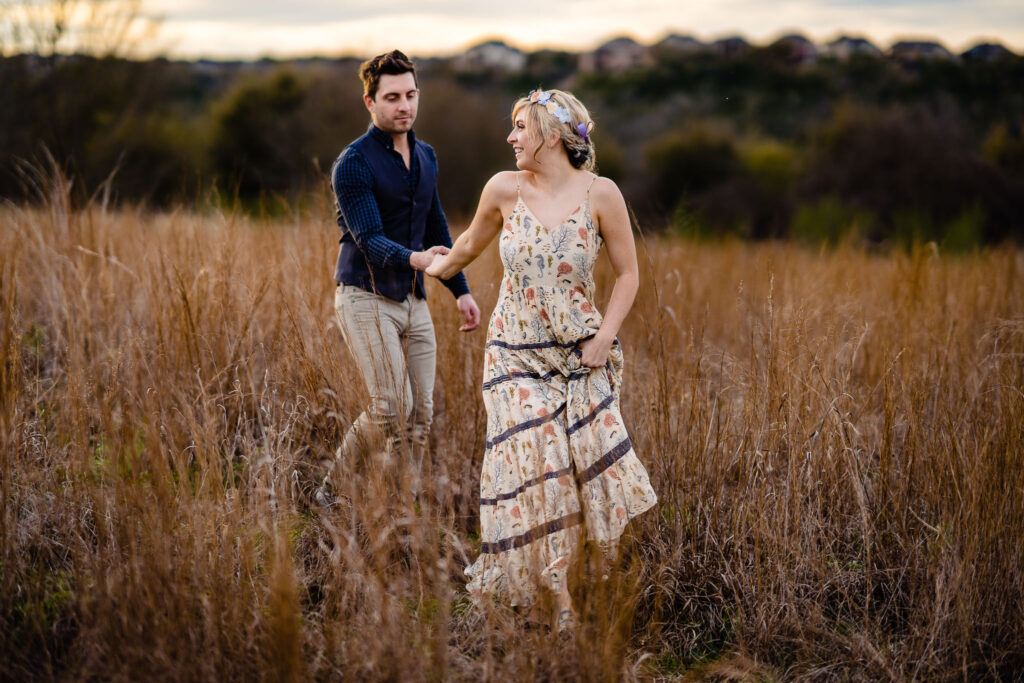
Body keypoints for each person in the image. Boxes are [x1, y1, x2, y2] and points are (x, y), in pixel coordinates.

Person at [425, 88, 657, 631]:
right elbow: (465, 248)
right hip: (513, 356)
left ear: (551, 136)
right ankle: (560, 604)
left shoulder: (602, 195)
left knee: (587, 472)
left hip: (580, 355)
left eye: (519, 128)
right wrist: (427, 263)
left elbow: (629, 274)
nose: (510, 138)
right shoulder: (503, 189)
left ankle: (584, 579)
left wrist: (604, 339)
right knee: (541, 468)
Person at [321, 50, 480, 502]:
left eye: (411, 95)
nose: (404, 106)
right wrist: (419, 260)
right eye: (392, 97)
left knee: (421, 415)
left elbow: (436, 227)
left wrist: (460, 291)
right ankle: (329, 493)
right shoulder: (352, 163)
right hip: (364, 296)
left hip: (415, 300)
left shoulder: (427, 156)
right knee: (391, 408)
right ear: (369, 101)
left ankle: (399, 504)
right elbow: (369, 239)